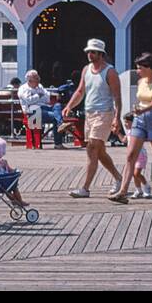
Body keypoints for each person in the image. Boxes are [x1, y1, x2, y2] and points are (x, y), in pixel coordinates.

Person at [59, 38, 124, 198]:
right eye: (88, 51)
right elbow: (80, 91)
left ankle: (85, 188)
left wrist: (117, 118)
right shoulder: (86, 70)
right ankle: (118, 178)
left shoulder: (110, 72)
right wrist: (69, 105)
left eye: (93, 52)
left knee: (92, 148)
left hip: (105, 113)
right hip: (89, 113)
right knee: (99, 151)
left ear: (101, 54)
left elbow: (117, 97)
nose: (89, 54)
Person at [112, 53, 152, 204]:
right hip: (139, 119)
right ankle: (123, 192)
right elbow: (142, 99)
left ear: (149, 67)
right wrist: (138, 111)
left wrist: (143, 110)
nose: (138, 71)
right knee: (130, 155)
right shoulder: (141, 81)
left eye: (140, 68)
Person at [17, 69, 65, 148]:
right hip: (32, 111)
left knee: (57, 106)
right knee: (55, 116)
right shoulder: (23, 89)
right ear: (30, 80)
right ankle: (58, 141)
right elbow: (28, 101)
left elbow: (47, 98)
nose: (38, 80)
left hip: (44, 107)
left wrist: (51, 95)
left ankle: (60, 124)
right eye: (36, 78)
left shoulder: (39, 87)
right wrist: (38, 96)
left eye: (38, 77)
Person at [118, 113, 152, 198]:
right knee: (133, 174)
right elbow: (123, 140)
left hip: (141, 155)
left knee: (136, 173)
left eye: (127, 122)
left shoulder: (137, 132)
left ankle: (146, 186)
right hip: (133, 156)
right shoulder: (129, 132)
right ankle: (138, 189)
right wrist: (118, 133)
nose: (125, 124)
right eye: (124, 122)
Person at [0, 138, 26, 207]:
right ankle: (20, 201)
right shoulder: (3, 162)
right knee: (14, 188)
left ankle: (14, 201)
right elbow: (10, 170)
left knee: (7, 191)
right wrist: (17, 172)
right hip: (3, 181)